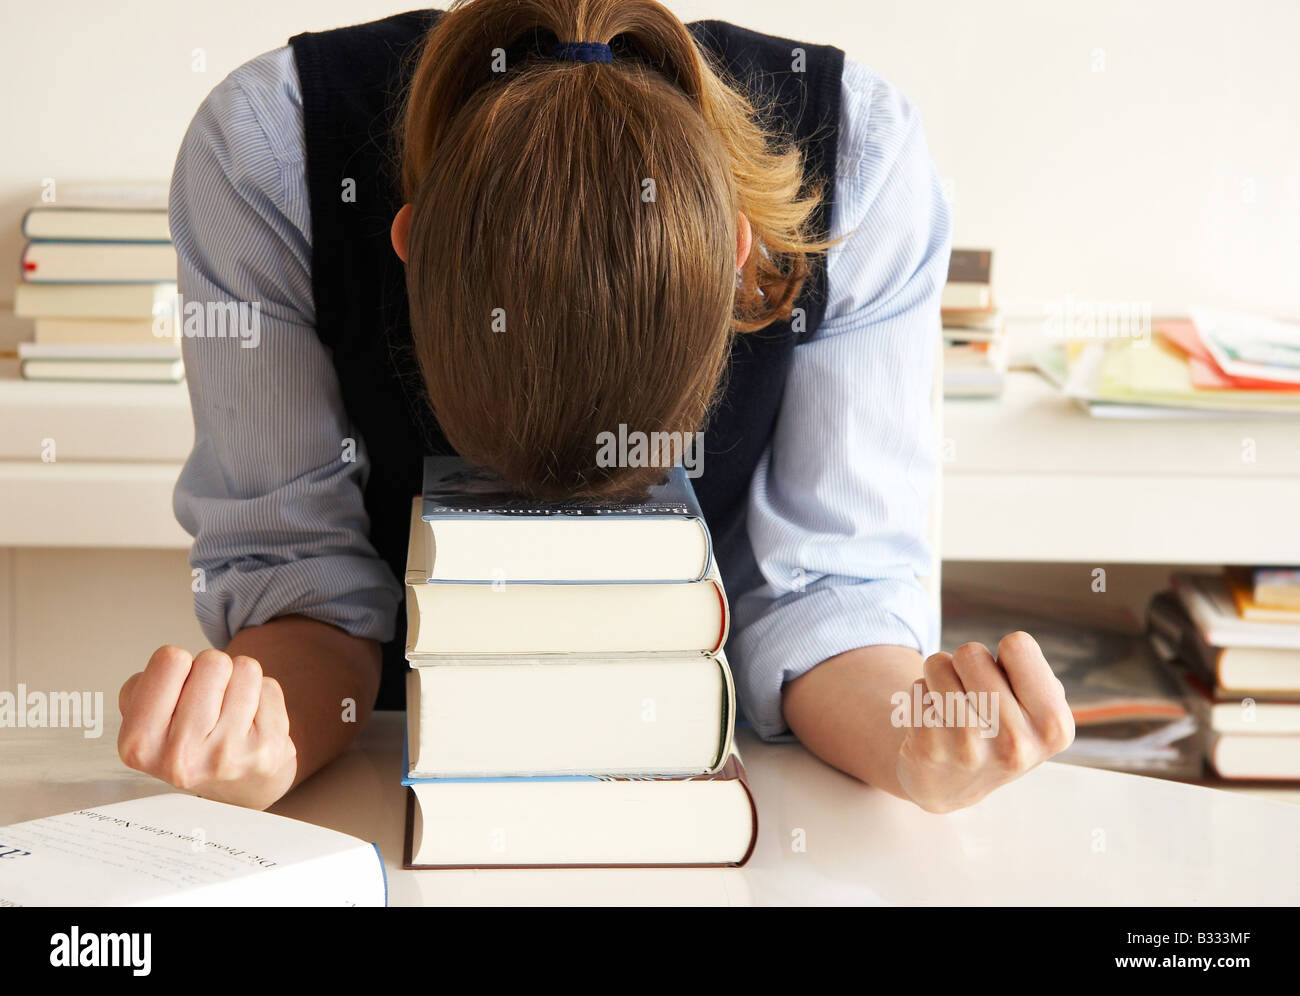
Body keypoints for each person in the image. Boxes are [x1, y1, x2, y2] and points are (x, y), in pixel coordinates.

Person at [117, 0, 1074, 814]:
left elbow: (830, 599)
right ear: (408, 245)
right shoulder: (265, 159)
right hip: (399, 776)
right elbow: (301, 582)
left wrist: (911, 736)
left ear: (737, 257)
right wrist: (258, 736)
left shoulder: (858, 165)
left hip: (735, 781)